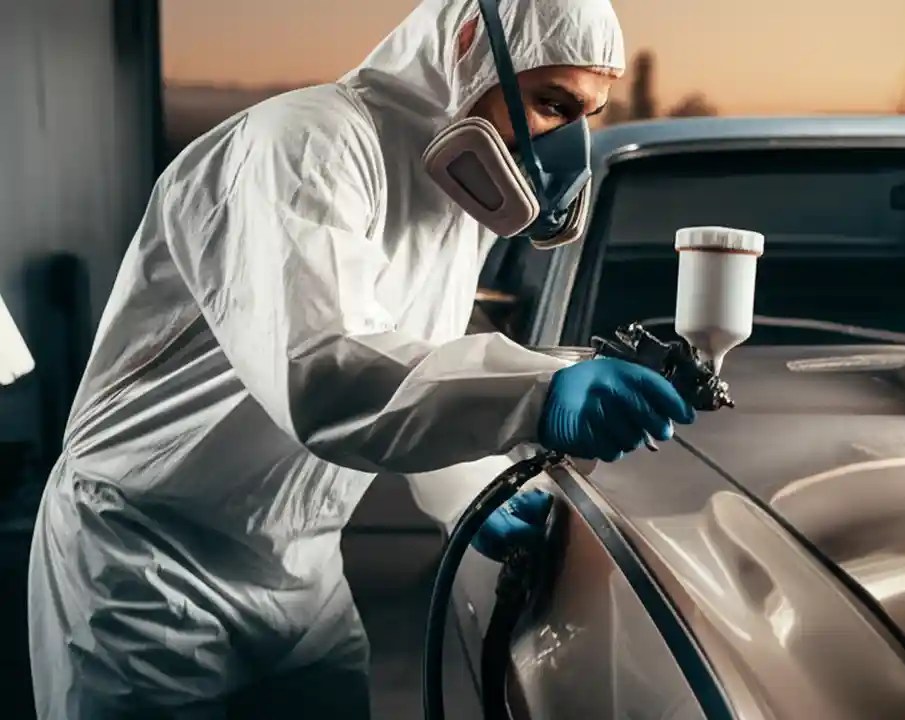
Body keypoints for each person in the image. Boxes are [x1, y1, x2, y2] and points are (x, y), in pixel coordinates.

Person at [26, 0, 695, 717]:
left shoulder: (452, 192)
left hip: (300, 571)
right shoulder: (304, 145)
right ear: (470, 42)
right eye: (550, 104)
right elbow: (325, 372)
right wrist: (543, 392)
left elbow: (421, 355)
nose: (566, 145)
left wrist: (469, 488)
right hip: (145, 567)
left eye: (585, 114)